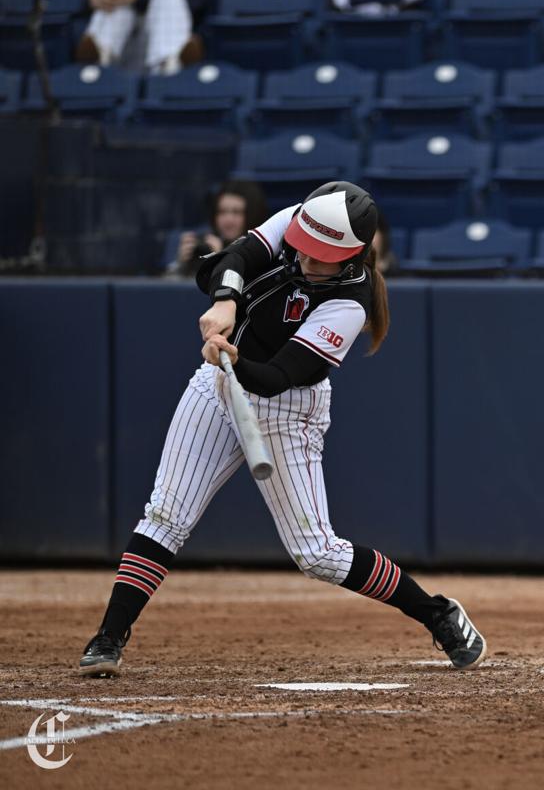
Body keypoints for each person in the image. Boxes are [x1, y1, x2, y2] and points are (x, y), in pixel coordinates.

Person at [79, 181, 487, 677]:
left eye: (322, 257)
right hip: (216, 388)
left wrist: (232, 356)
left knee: (316, 553)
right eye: (305, 249)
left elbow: (279, 377)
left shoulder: (350, 304)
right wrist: (227, 299)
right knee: (166, 514)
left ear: (353, 255)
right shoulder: (301, 219)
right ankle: (108, 638)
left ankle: (437, 613)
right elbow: (231, 259)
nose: (307, 260)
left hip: (287, 408)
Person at [76, 0, 207, 75]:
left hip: (167, 25)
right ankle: (100, 60)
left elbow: (197, 0)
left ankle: (168, 67)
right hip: (124, 31)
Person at [165, 180, 267, 278]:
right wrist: (181, 264)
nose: (228, 220)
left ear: (252, 215)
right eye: (222, 212)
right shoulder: (206, 243)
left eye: (237, 212)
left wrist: (219, 260)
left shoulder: (261, 249)